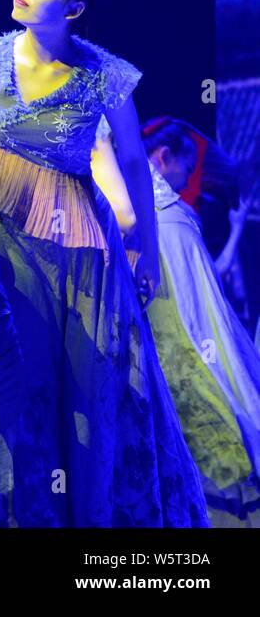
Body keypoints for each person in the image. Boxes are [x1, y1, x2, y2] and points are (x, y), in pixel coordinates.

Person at [0, 0, 207, 526]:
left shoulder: (104, 73)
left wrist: (147, 251)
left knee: (88, 391)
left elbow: (134, 166)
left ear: (75, 8)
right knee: (11, 382)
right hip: (6, 249)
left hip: (83, 255)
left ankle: (91, 521)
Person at [92, 117, 260, 526]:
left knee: (184, 365)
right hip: (155, 235)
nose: (189, 179)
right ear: (163, 159)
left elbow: (127, 215)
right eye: (185, 169)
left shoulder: (89, 117)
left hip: (153, 241)